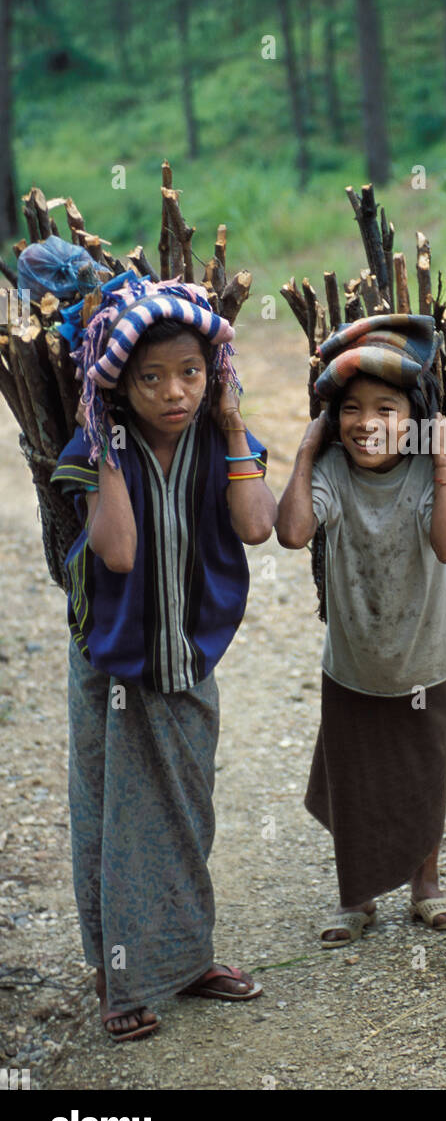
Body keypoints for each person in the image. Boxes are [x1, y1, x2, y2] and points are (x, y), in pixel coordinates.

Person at [51, 276, 276, 1040]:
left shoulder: (221, 440)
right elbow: (116, 553)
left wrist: (235, 417)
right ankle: (121, 982)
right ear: (119, 384)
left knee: (183, 815)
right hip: (116, 668)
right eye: (150, 378)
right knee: (118, 818)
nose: (174, 392)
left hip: (188, 660)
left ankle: (186, 958)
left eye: (191, 372)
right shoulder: (97, 446)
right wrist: (106, 430)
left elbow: (256, 526)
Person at [275, 314, 446, 945]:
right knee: (355, 777)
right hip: (353, 662)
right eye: (352, 410)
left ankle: (426, 883)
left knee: (423, 773)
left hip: (424, 657)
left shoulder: (429, 470)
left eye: (386, 408)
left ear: (415, 418)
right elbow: (293, 531)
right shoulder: (331, 470)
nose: (367, 423)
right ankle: (355, 897)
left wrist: (443, 461)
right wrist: (306, 453)